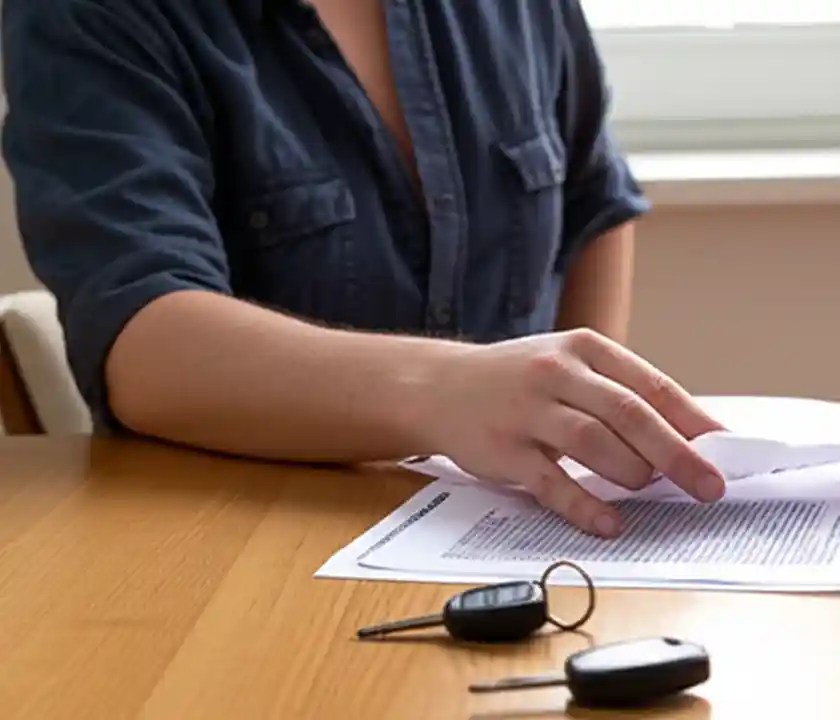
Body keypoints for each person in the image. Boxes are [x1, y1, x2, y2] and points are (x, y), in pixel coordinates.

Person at [1, 0, 726, 537]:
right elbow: (141, 340)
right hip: (237, 562)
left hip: (516, 547)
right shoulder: (88, 14)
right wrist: (444, 393)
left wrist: (580, 435)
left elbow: (593, 203)